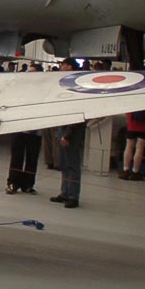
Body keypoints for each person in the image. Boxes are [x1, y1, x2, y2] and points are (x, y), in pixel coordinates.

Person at [50, 58, 84, 208]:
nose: (61, 67)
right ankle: (65, 192)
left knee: (72, 163)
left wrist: (68, 133)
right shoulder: (65, 83)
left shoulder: (77, 85)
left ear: (69, 66)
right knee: (64, 163)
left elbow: (76, 110)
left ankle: (73, 195)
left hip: (72, 129)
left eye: (63, 65)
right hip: (63, 125)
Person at [118, 109, 145, 181]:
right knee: (140, 148)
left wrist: (127, 118)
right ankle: (135, 172)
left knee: (129, 146)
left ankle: (125, 170)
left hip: (132, 124)